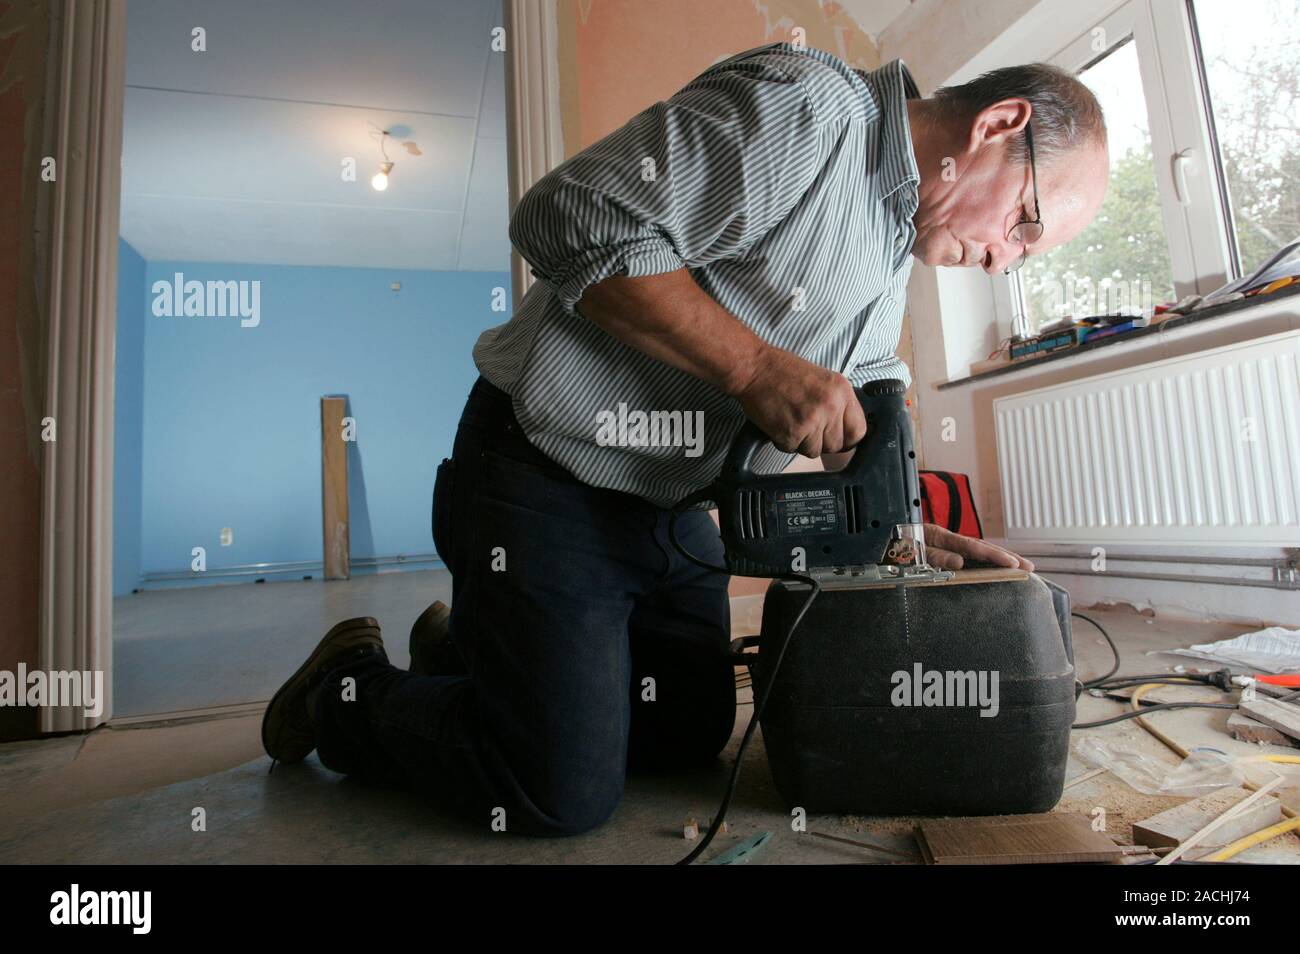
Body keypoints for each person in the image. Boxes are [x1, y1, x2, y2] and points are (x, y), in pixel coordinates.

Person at [263, 42, 1108, 836]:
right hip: (543, 472)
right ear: (998, 127)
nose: (1007, 261)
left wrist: (909, 538)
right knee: (557, 788)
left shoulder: (894, 238)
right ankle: (348, 690)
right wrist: (752, 369)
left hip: (670, 511)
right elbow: (566, 215)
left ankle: (467, 652)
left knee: (684, 734)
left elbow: (840, 411)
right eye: (1027, 223)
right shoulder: (809, 113)